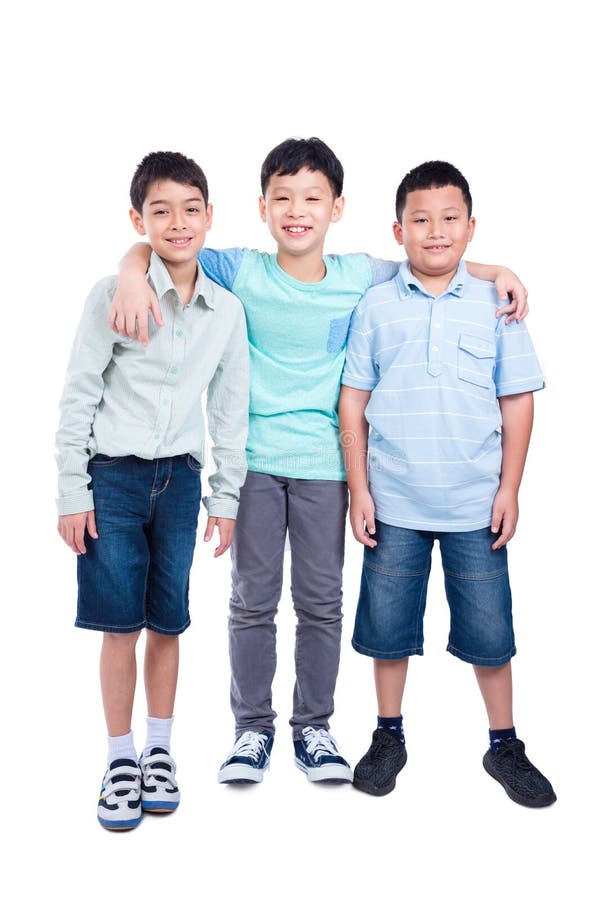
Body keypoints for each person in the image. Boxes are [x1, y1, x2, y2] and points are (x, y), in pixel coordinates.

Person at [109, 138, 529, 786]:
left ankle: (314, 728)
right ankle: (251, 729)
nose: (296, 210)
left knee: (321, 602)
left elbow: (435, 256)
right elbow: (165, 245)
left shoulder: (360, 274)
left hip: (328, 468)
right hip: (250, 464)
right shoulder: (241, 269)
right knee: (251, 601)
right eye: (283, 198)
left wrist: (501, 271)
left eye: (312, 198)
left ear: (337, 208)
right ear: (261, 207)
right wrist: (133, 269)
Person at [339, 160, 555, 807]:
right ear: (397, 230)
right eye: (420, 219)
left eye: (449, 218)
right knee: (386, 627)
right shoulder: (376, 304)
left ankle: (504, 744)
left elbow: (517, 399)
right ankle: (387, 735)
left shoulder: (496, 304)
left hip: (472, 503)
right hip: (394, 500)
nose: (435, 231)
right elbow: (353, 401)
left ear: (470, 228)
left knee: (490, 633)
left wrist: (509, 488)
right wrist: (360, 488)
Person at [56, 151, 249, 829]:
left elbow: (230, 408)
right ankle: (118, 758)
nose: (177, 223)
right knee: (119, 623)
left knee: (168, 619)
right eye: (159, 211)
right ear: (138, 220)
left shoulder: (225, 310)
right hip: (111, 478)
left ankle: (159, 752)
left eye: (190, 209)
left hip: (182, 481)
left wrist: (225, 498)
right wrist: (70, 490)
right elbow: (79, 394)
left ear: (209, 218)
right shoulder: (113, 294)